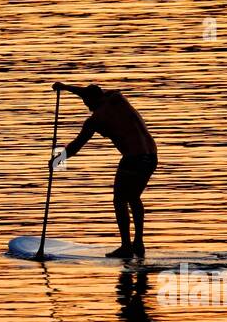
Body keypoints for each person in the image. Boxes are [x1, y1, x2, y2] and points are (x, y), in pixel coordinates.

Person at [50, 82, 158, 258]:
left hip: (133, 159)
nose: (87, 107)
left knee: (119, 200)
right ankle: (138, 243)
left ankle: (126, 247)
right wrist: (66, 88)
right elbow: (87, 92)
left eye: (87, 103)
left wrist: (56, 161)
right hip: (151, 157)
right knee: (133, 197)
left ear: (90, 101)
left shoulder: (95, 120)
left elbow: (76, 146)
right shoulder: (117, 98)